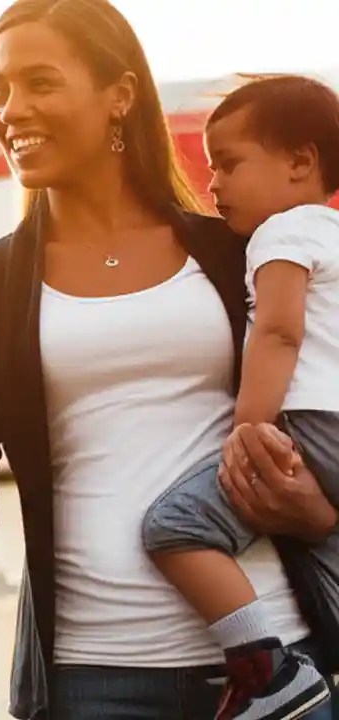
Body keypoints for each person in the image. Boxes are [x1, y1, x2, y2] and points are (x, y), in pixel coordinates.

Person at [0, 1, 339, 719]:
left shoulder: (239, 252)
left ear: (119, 95)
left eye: (39, 83)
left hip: (282, 665)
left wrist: (323, 515)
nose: (12, 110)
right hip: (95, 679)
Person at [142, 74, 339, 719]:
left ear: (300, 163)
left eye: (228, 164)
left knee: (174, 525)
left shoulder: (282, 234)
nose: (213, 184)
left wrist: (248, 427)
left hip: (311, 425)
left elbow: (279, 331)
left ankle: (268, 670)